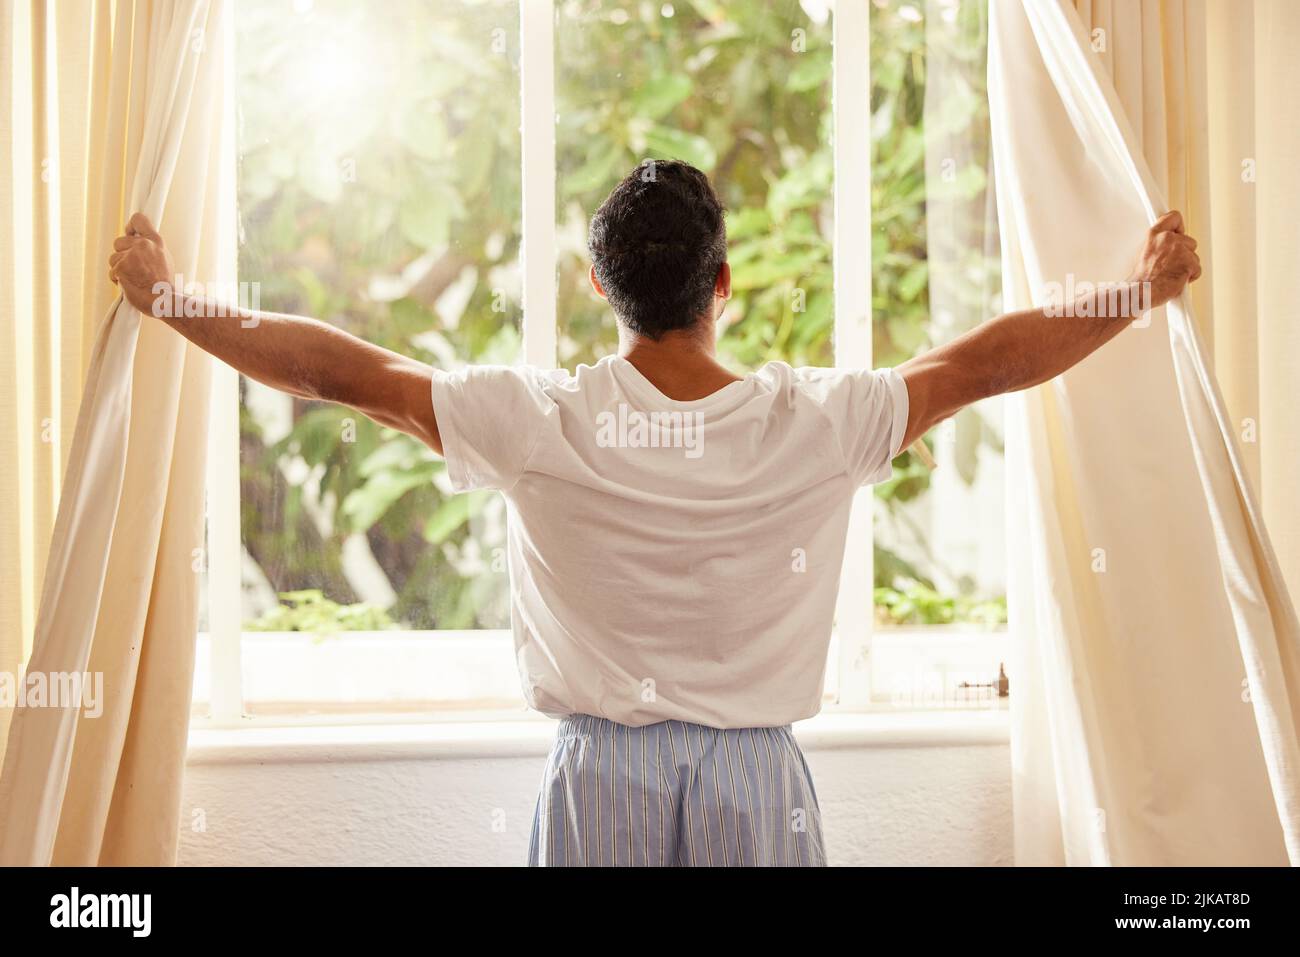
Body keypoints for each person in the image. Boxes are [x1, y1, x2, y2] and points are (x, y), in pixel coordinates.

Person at [109, 160, 1200, 867]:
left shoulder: (534, 419)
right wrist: (1138, 292)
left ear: (598, 285)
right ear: (724, 282)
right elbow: (985, 366)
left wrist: (169, 300)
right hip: (755, 780)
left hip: (600, 776)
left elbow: (337, 374)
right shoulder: (818, 420)